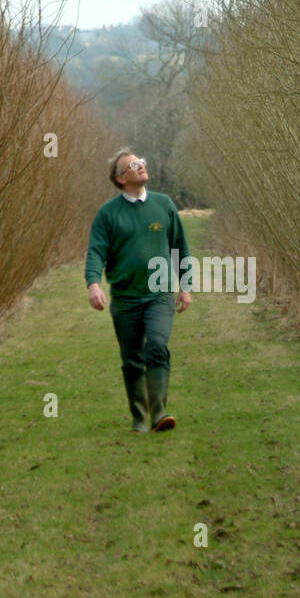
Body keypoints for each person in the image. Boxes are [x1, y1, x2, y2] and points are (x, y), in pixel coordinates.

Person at [85, 149, 191, 432]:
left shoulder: (164, 205)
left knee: (157, 346)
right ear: (121, 179)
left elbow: (179, 247)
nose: (141, 166)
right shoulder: (108, 214)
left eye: (140, 161)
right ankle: (140, 418)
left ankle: (159, 414)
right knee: (131, 360)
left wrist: (185, 285)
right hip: (125, 298)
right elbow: (96, 251)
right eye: (132, 165)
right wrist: (93, 283)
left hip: (159, 294)